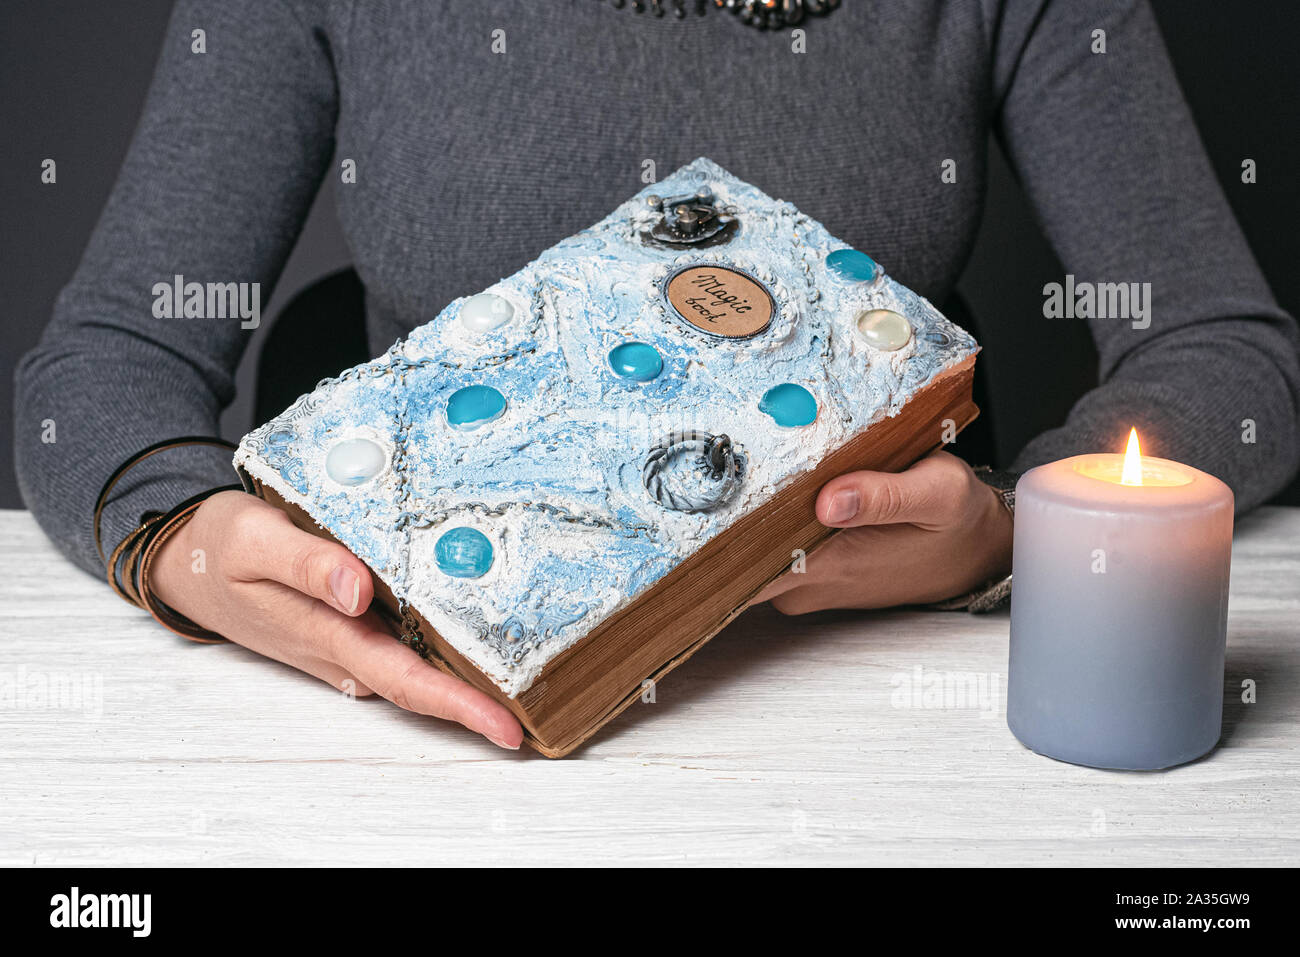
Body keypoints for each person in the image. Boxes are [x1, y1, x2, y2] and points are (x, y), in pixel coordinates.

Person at [14, 1, 1299, 750]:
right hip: (418, 715)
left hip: (866, 706)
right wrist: (173, 541)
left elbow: (1225, 352)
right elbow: (111, 355)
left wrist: (1015, 533)